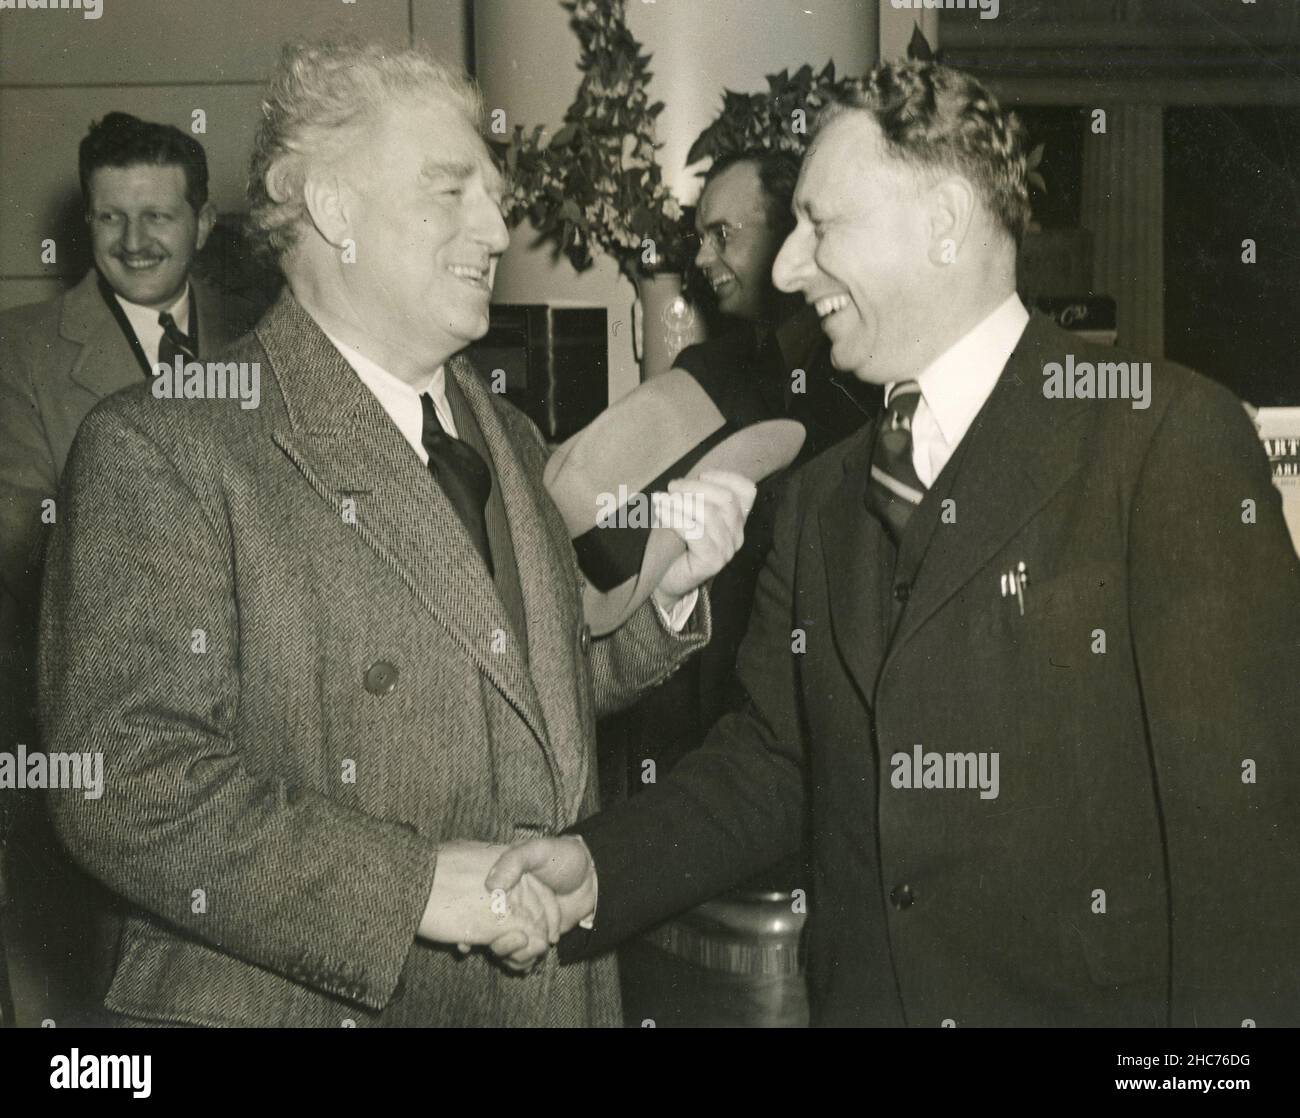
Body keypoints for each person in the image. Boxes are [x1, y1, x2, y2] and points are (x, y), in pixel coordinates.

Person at [491, 60, 1300, 1027]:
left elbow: (1248, 857)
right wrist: (594, 867)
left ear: (945, 221)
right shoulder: (822, 497)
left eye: (821, 226)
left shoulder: (1160, 439)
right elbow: (777, 763)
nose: (785, 269)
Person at [37, 40, 752, 1028]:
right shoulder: (167, 446)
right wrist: (411, 887)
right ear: (333, 209)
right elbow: (124, 781)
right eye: (451, 191)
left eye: (493, 196)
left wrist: (662, 595)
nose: (497, 227)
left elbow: (521, 698)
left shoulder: (504, 433)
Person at [603, 149, 877, 1026]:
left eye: (726, 235)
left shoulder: (848, 386)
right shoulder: (722, 373)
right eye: (701, 238)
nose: (709, 262)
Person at [0, 110, 258, 1027]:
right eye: (112, 219)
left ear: (203, 222)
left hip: (255, 735)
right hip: (91, 722)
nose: (137, 240)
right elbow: (21, 533)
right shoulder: (22, 350)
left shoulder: (270, 338)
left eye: (159, 216)